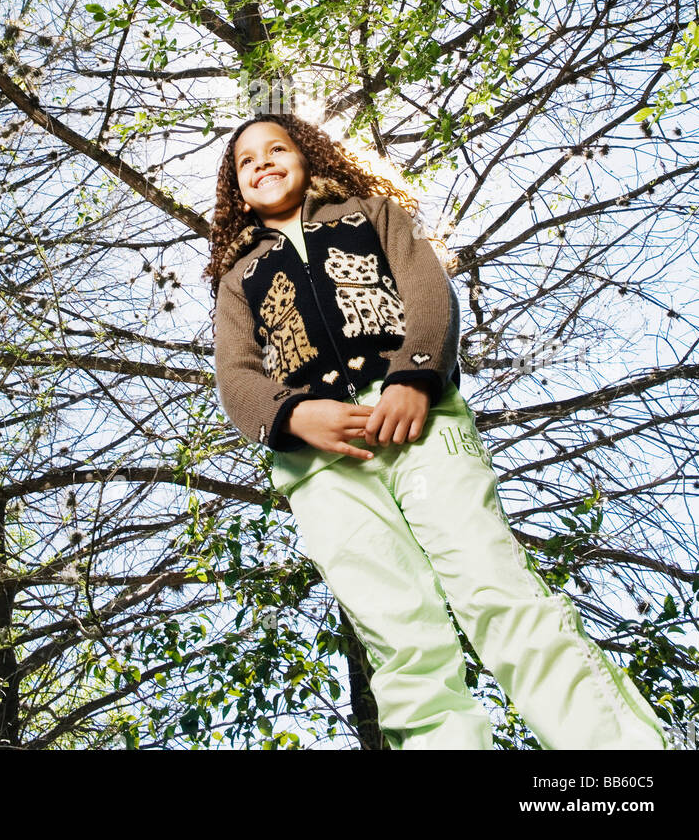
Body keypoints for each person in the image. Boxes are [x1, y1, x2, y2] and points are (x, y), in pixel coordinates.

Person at [205, 111, 671, 751]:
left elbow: (428, 291)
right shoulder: (238, 278)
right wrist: (288, 416)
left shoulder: (372, 214)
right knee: (400, 637)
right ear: (237, 188)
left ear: (306, 157)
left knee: (494, 589)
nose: (261, 163)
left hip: (417, 423)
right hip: (320, 464)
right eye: (245, 161)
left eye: (275, 148)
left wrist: (415, 374)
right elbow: (235, 374)